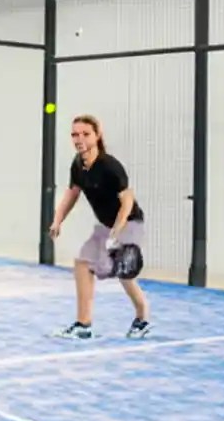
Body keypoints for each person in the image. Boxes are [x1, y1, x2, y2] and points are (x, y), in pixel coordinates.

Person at [48, 114, 151, 340]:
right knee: (84, 264)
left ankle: (142, 317)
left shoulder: (110, 166)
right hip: (105, 226)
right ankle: (84, 325)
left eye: (85, 134)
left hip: (129, 223)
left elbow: (127, 202)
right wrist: (57, 220)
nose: (79, 139)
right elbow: (72, 194)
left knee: (118, 270)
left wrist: (116, 233)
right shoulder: (77, 165)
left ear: (97, 136)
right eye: (75, 134)